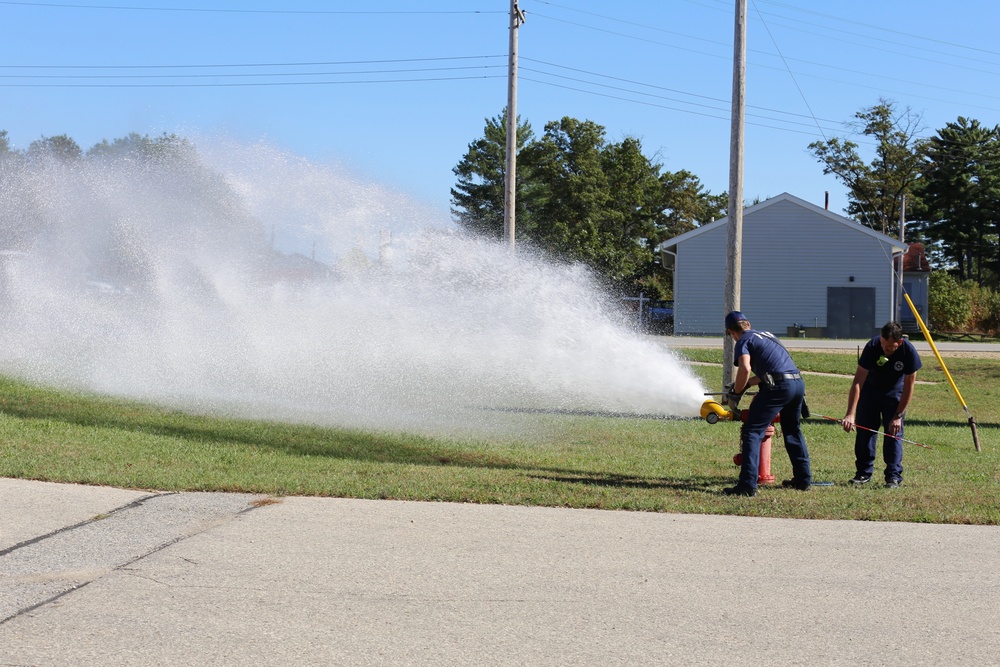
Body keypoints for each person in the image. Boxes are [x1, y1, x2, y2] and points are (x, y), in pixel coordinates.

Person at [723, 311, 812, 496]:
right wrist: (747, 384)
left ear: (731, 332)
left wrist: (736, 393)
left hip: (780, 387)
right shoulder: (767, 335)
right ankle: (803, 480)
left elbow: (745, 368)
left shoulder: (743, 340)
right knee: (792, 431)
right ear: (748, 324)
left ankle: (747, 485)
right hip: (797, 383)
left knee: (752, 431)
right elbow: (772, 370)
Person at [842, 321, 922, 488]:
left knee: (893, 433)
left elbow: (909, 386)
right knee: (865, 432)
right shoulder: (872, 346)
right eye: (883, 344)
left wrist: (898, 415)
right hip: (870, 392)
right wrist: (850, 413)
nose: (884, 348)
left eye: (889, 346)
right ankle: (863, 473)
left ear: (899, 342)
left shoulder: (908, 351)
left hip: (894, 395)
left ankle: (893, 476)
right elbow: (858, 381)